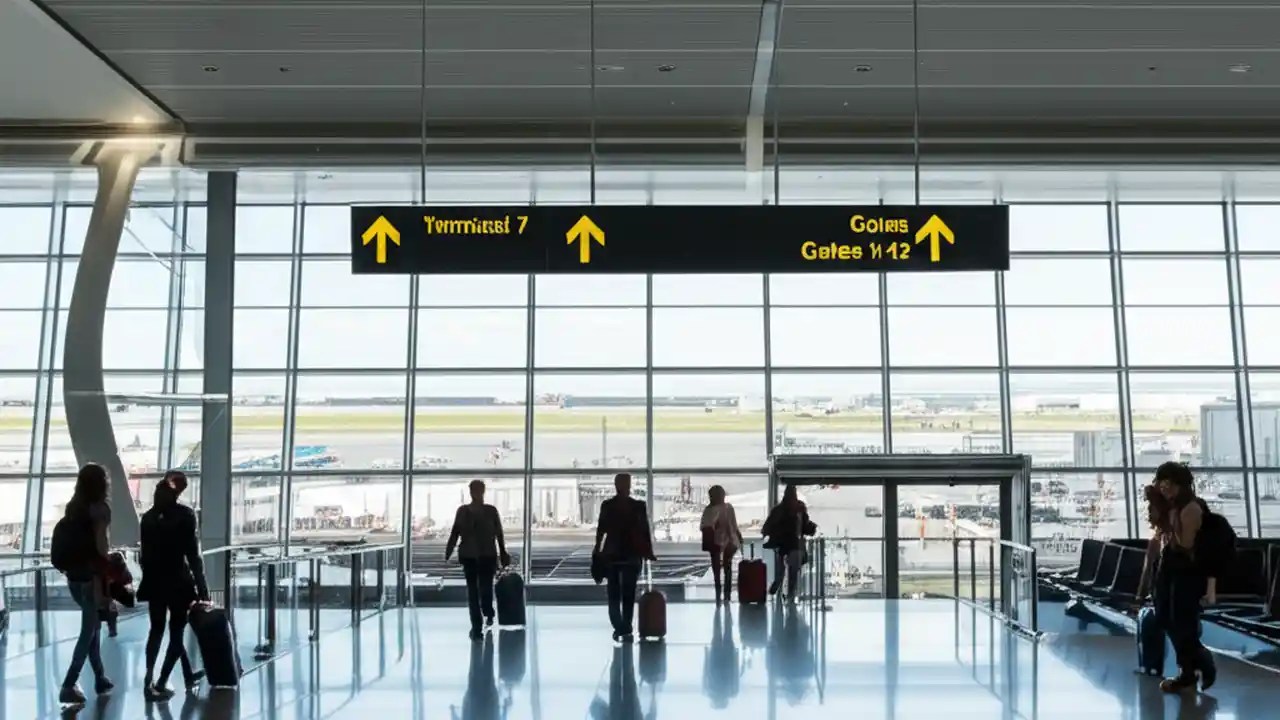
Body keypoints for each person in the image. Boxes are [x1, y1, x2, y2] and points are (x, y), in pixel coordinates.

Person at [138, 471, 209, 700]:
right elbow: (193, 556)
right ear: (179, 491)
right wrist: (202, 587)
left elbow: (144, 556)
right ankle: (162, 681)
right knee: (177, 633)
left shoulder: (147, 518)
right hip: (179, 582)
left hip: (154, 582)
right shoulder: (186, 515)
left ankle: (148, 679)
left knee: (155, 630)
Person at [1152, 461, 1217, 693]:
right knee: (1165, 617)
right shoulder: (1171, 506)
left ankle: (1195, 666)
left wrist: (1171, 520)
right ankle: (1190, 666)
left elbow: (1186, 544)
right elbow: (1163, 540)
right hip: (1168, 567)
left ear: (1179, 484)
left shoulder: (1191, 508)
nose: (1163, 487)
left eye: (1167, 483)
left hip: (1186, 571)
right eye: (1160, 483)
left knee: (1182, 622)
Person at [59, 463, 114, 706]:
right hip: (92, 578)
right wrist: (110, 561)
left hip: (73, 577)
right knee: (87, 632)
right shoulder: (100, 509)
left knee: (93, 628)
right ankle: (69, 684)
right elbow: (101, 545)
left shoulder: (74, 508)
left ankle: (100, 677)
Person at [445, 480, 511, 640]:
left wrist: (449, 550)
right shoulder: (489, 511)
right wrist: (502, 552)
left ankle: (480, 622)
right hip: (484, 556)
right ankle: (481, 621)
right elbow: (499, 534)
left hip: (473, 556)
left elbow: (455, 533)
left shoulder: (464, 511)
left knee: (475, 592)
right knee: (482, 590)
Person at [594, 473, 656, 642]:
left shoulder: (607, 505)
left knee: (613, 594)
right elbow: (645, 531)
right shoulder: (638, 506)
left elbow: (601, 531)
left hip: (612, 554)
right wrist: (648, 552)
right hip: (632, 555)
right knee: (628, 594)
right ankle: (626, 626)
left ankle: (619, 626)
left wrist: (597, 551)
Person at [761, 485, 814, 601]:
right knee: (793, 572)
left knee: (780, 570)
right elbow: (805, 525)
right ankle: (790, 594)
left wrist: (767, 534)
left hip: (781, 544)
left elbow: (767, 526)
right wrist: (812, 528)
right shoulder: (799, 508)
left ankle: (778, 588)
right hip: (795, 544)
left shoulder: (778, 510)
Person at [700, 485, 743, 604]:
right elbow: (733, 525)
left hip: (717, 542)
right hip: (725, 541)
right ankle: (725, 595)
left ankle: (720, 594)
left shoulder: (710, 510)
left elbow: (705, 526)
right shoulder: (728, 508)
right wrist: (738, 536)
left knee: (719, 569)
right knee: (726, 567)